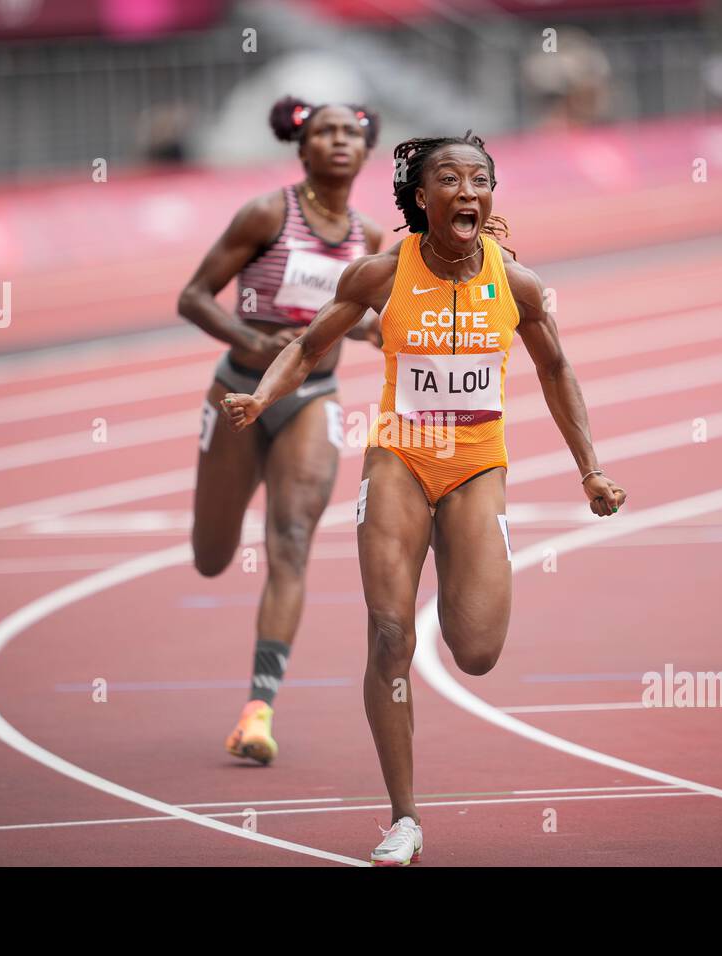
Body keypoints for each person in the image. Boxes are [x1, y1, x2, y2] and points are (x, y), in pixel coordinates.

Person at [221, 131, 626, 864]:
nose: (467, 191)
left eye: (480, 179)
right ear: (420, 196)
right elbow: (311, 345)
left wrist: (589, 469)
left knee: (476, 653)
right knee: (389, 635)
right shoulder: (380, 274)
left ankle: (474, 549)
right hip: (400, 461)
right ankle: (404, 818)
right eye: (450, 178)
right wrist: (261, 396)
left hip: (475, 466)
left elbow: (559, 369)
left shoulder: (519, 283)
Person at [177, 97, 383, 764]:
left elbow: (367, 318)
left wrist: (384, 330)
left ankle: (258, 710)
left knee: (292, 539)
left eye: (349, 132)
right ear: (303, 149)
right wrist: (255, 342)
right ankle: (219, 528)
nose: (338, 142)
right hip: (238, 390)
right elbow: (194, 296)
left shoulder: (370, 239)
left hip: (313, 399)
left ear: (364, 149)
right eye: (324, 132)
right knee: (212, 556)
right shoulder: (268, 213)